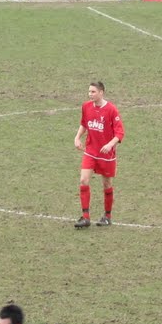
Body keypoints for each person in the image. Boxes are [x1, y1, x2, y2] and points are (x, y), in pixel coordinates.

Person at [73, 80, 123, 229]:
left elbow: (120, 132)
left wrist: (109, 144)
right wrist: (77, 137)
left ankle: (107, 216)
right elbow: (84, 123)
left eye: (93, 92)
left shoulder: (111, 110)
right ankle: (86, 217)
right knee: (83, 180)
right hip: (90, 151)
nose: (90, 94)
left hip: (106, 155)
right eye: (89, 91)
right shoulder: (86, 106)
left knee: (107, 184)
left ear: (101, 92)